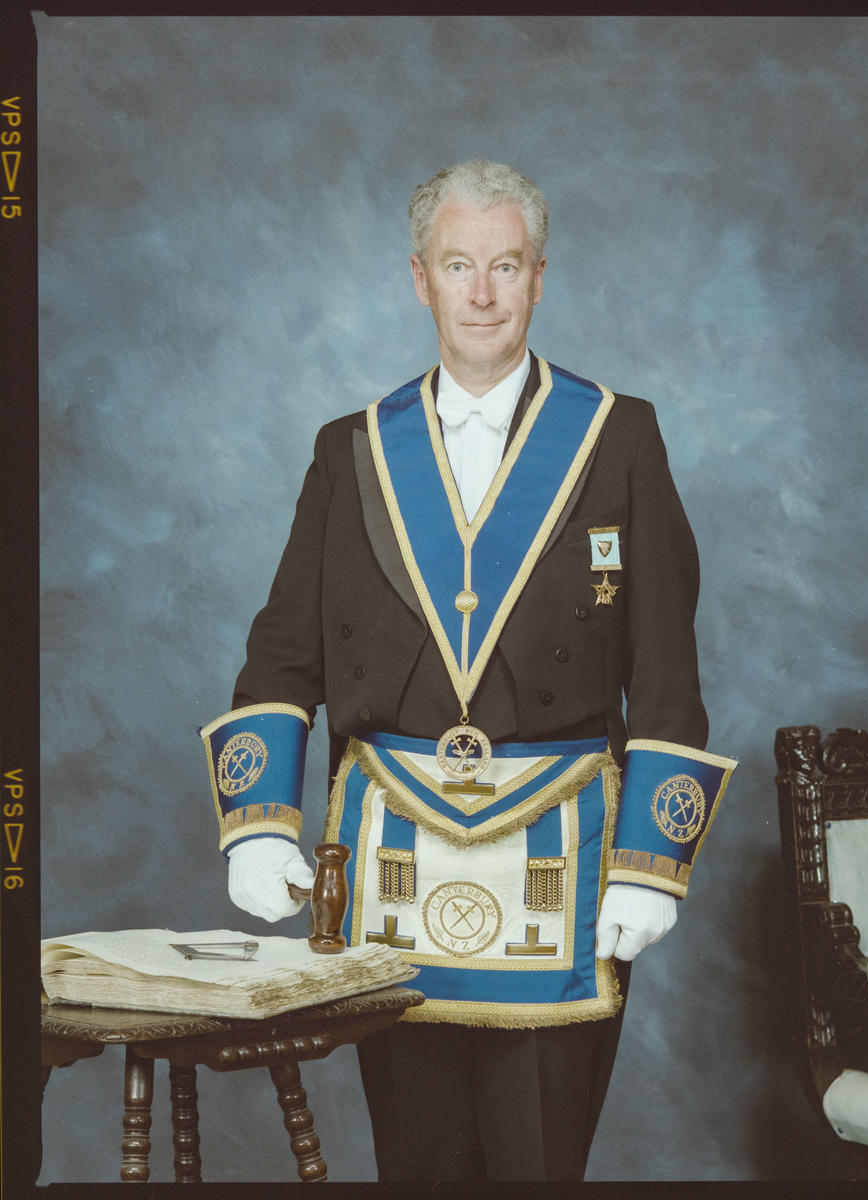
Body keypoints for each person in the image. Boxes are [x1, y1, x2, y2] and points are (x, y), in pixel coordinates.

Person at [200, 160, 735, 1182]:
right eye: (458, 265)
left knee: (536, 1167)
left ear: (540, 277)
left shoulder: (618, 436)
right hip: (392, 859)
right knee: (419, 1165)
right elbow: (283, 656)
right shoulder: (352, 449)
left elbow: (668, 667)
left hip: (563, 861)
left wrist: (649, 863)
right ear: (421, 280)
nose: (482, 293)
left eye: (506, 266)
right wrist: (260, 824)